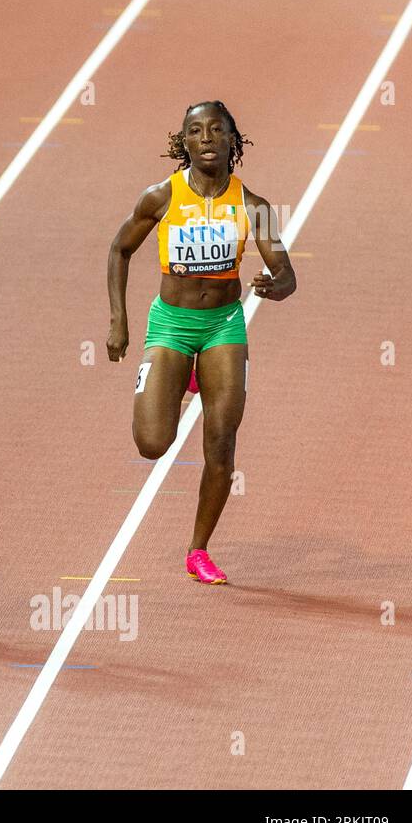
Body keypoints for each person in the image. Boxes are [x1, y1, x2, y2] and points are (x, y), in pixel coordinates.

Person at [106, 101, 296, 584]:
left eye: (217, 129)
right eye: (196, 130)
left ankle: (198, 550)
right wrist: (119, 323)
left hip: (223, 327)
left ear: (234, 140)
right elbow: (119, 249)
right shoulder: (160, 197)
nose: (207, 137)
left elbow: (287, 271)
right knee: (152, 444)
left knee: (222, 442)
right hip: (171, 324)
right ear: (183, 142)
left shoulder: (254, 207)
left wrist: (277, 286)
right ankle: (185, 372)